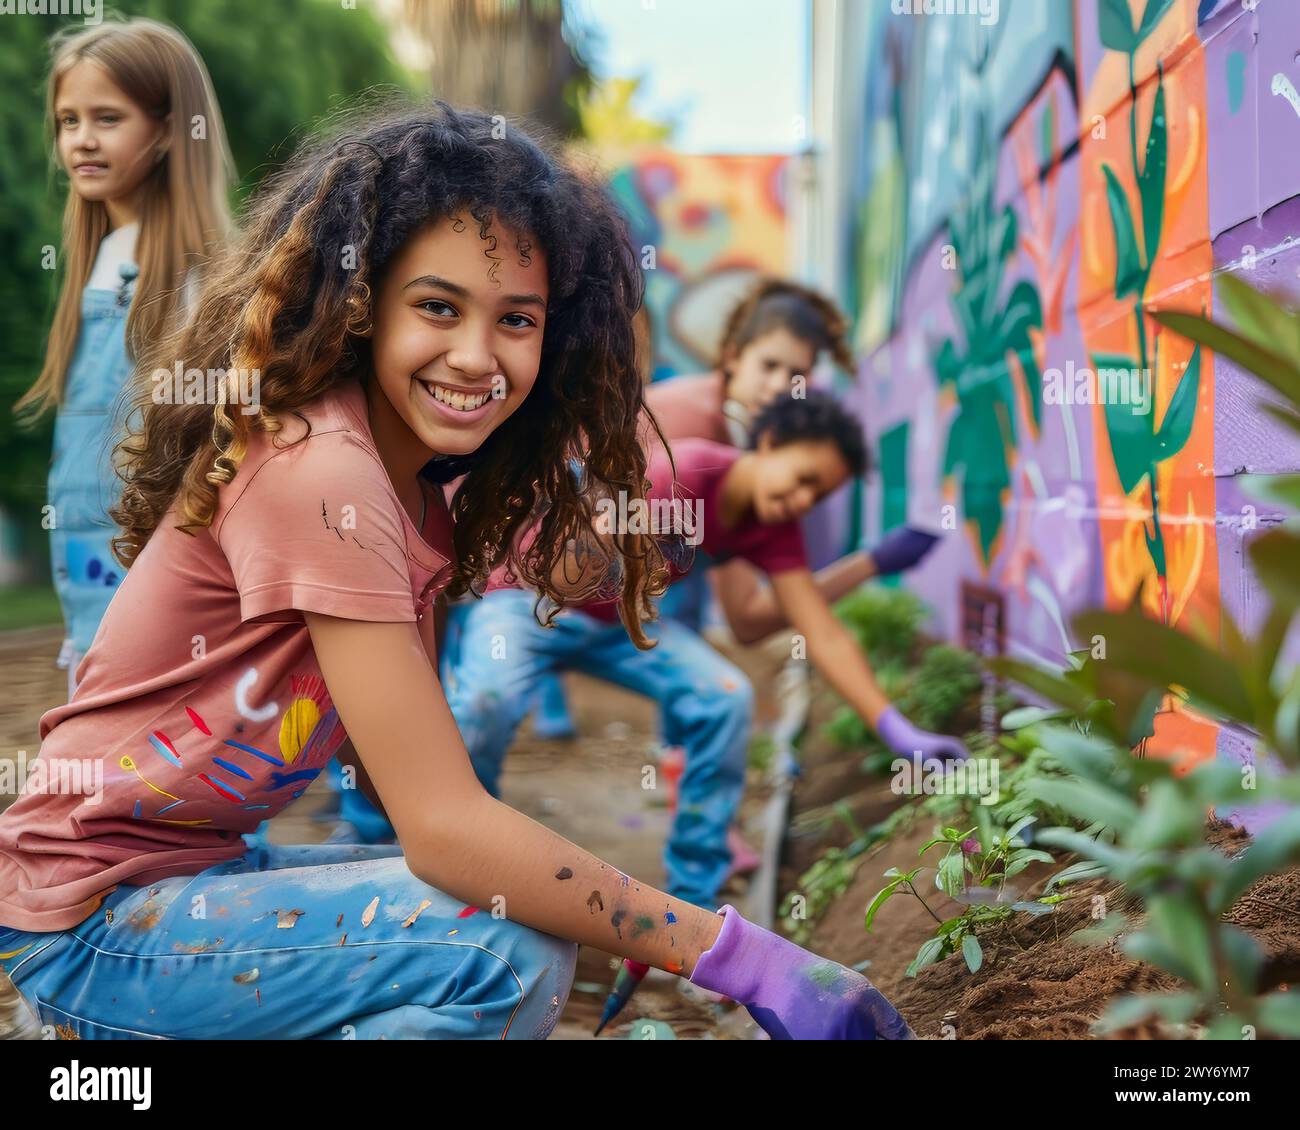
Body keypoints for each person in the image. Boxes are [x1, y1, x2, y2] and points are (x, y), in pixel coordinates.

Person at [0, 103, 912, 1041]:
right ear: (359, 304)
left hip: (194, 884)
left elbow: (404, 775)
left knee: (519, 925)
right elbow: (442, 825)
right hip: (90, 925)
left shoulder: (417, 497)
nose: (477, 357)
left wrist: (599, 905)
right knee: (504, 949)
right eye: (438, 306)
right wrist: (731, 950)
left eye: (516, 319)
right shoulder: (322, 471)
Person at [440, 393, 970, 917]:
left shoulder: (770, 522)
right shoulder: (684, 470)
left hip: (621, 623)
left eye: (819, 496)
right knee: (485, 702)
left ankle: (693, 898)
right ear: (769, 443)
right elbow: (580, 567)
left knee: (726, 697)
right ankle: (463, 852)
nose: (802, 502)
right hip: (527, 603)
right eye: (804, 479)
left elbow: (816, 632)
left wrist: (896, 729)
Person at [14, 18, 235, 700]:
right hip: (84, 550)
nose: (80, 139)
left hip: (156, 551)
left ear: (171, 130)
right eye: (68, 120)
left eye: (107, 118)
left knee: (169, 725)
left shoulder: (198, 281)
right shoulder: (99, 260)